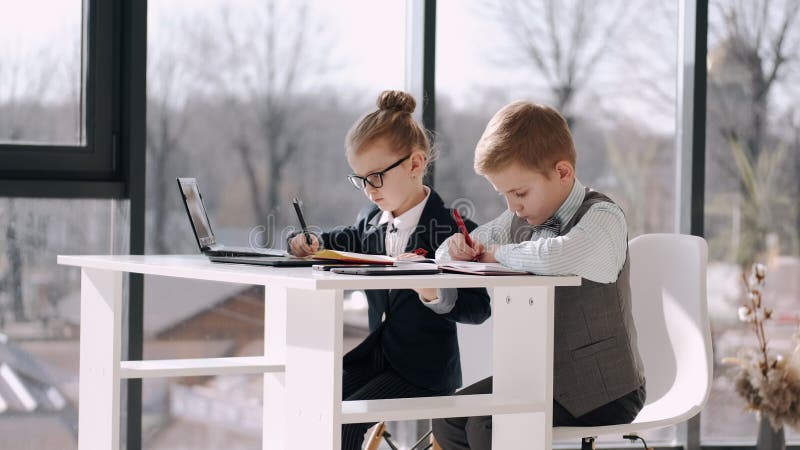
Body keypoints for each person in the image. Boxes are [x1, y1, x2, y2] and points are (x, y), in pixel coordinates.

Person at [430, 101, 646, 449]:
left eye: (520, 193)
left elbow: (559, 255)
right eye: (504, 196)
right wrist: (457, 248)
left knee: (487, 427)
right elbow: (449, 253)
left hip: (605, 388)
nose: (513, 207)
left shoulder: (603, 216)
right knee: (449, 417)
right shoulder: (519, 219)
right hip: (539, 378)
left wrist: (496, 254)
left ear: (563, 172)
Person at [287, 90, 491, 450]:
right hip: (376, 359)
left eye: (376, 177)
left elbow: (479, 308)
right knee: (310, 401)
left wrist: (434, 294)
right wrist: (304, 240)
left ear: (415, 163)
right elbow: (335, 240)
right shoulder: (370, 222)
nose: (368, 190)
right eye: (360, 178)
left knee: (346, 420)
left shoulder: (452, 230)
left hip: (424, 372)